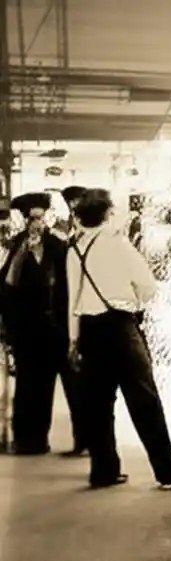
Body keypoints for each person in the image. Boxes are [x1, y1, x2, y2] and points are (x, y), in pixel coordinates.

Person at [66, 189, 171, 489]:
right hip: (120, 327)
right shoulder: (118, 244)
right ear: (107, 213)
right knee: (144, 401)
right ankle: (168, 471)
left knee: (98, 405)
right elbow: (148, 285)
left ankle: (104, 470)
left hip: (89, 331)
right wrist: (134, 303)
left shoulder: (74, 250)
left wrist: (73, 339)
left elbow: (72, 300)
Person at [0, 192, 86, 455]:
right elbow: (7, 286)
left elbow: (72, 283)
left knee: (75, 386)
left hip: (60, 328)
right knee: (31, 386)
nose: (36, 224)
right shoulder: (17, 247)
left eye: (39, 217)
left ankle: (85, 439)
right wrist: (22, 253)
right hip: (29, 331)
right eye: (31, 218)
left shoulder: (59, 246)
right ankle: (31, 441)